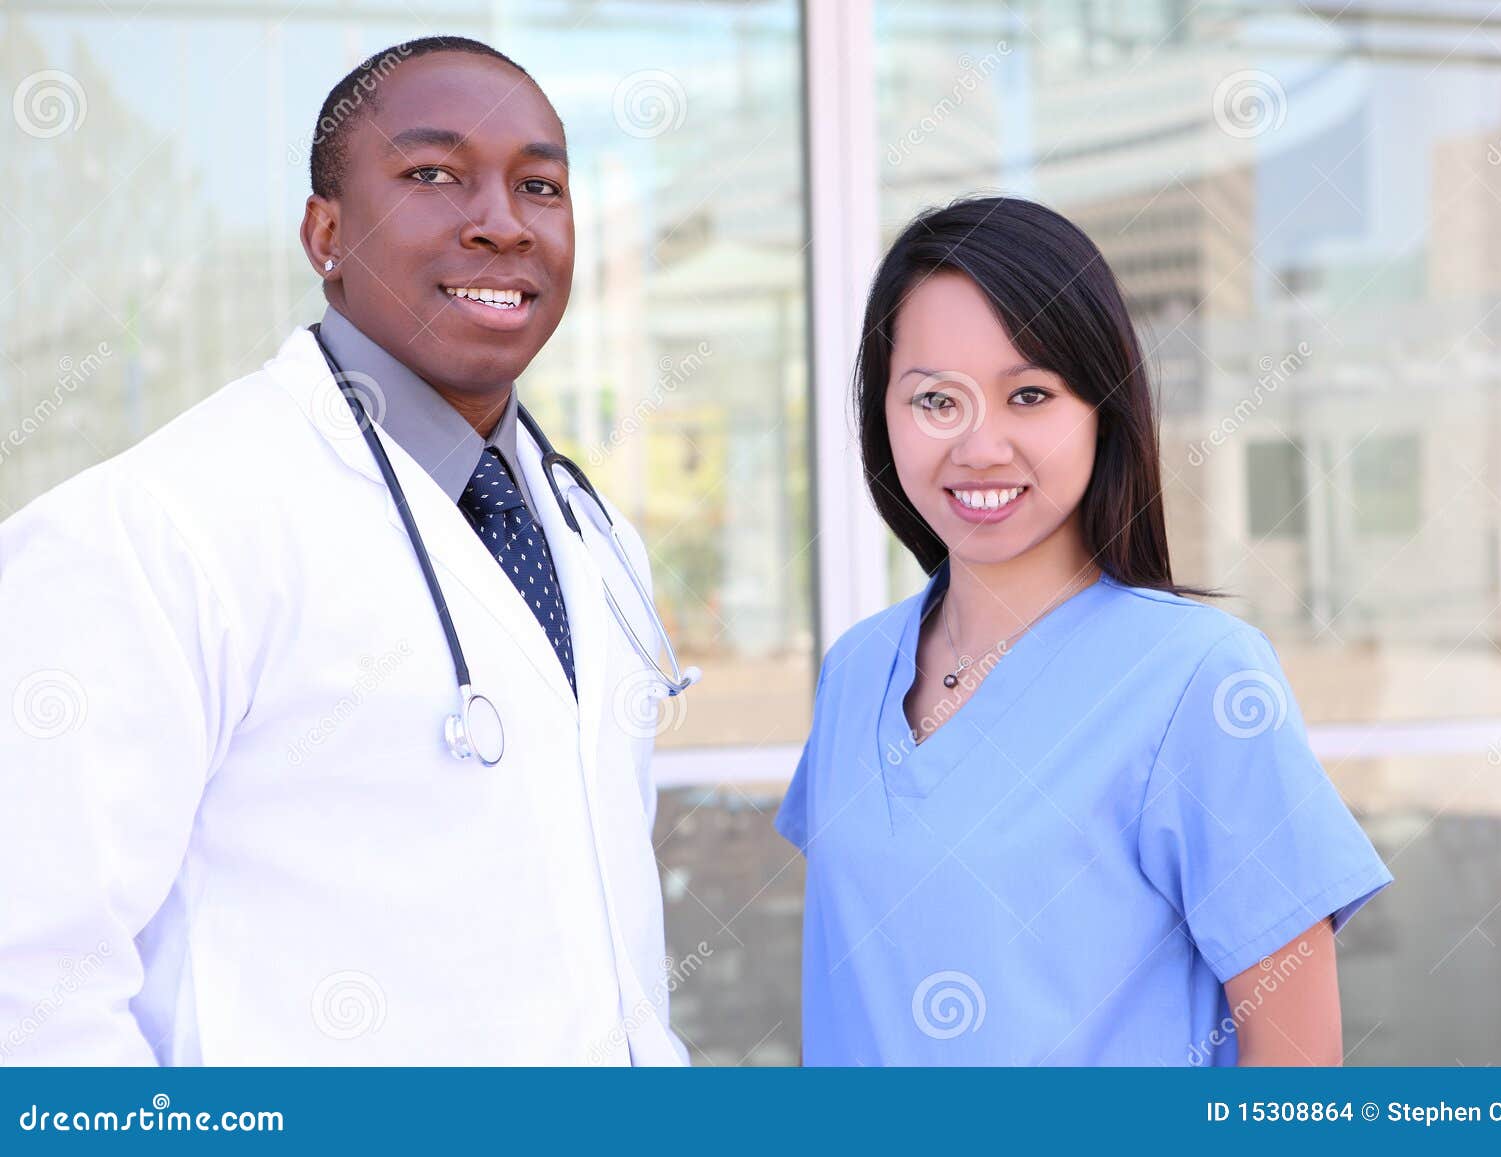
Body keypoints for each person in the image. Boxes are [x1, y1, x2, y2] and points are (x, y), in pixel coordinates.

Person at [0, 36, 687, 1065]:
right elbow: (34, 987)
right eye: (431, 175)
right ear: (325, 232)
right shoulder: (153, 530)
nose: (500, 222)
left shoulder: (594, 537)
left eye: (538, 184)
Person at [776, 196, 1393, 1066]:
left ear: (1103, 408)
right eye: (934, 399)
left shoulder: (1199, 681)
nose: (979, 444)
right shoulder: (855, 673)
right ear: (884, 415)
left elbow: (1296, 1070)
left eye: (1029, 394)